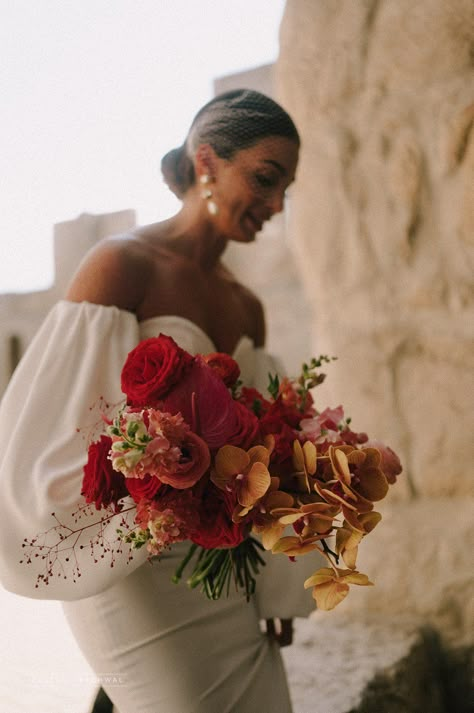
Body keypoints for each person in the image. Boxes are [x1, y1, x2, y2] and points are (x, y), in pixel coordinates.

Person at [0, 90, 318, 713]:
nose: (277, 205)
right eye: (265, 178)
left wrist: (274, 583)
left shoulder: (248, 306)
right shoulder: (121, 265)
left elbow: (262, 457)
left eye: (286, 189)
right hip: (130, 572)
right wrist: (155, 483)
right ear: (207, 162)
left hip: (224, 571)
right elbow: (48, 433)